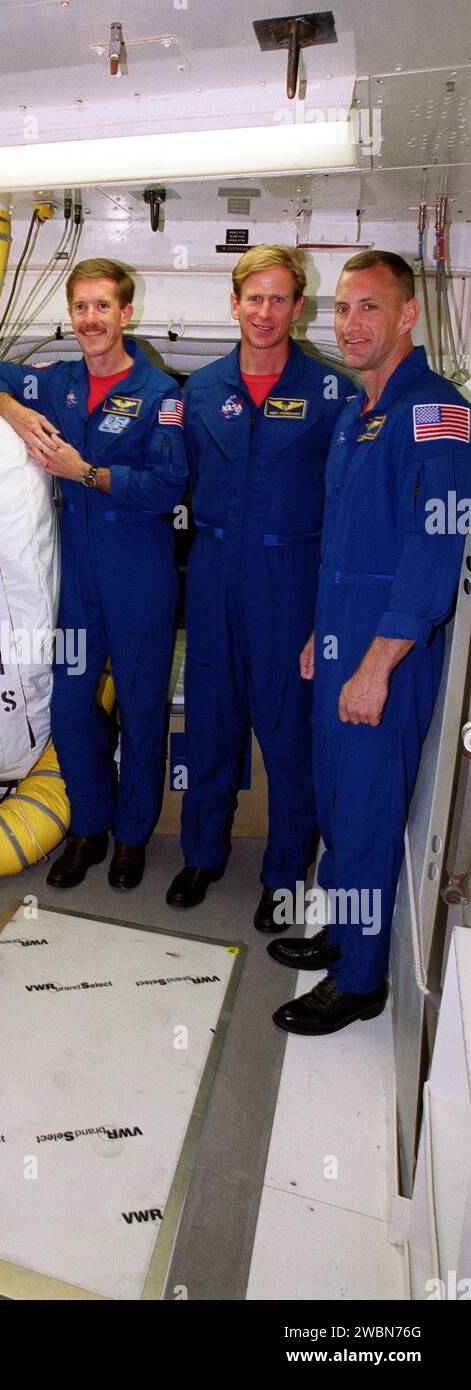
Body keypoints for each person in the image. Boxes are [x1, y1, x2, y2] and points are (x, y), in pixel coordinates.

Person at [270, 250, 470, 1033]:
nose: (349, 325)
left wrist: (376, 665)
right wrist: (322, 632)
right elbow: (349, 537)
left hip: (386, 650)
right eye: (342, 309)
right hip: (341, 634)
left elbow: (433, 547)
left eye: (368, 308)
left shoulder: (433, 409)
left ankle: (358, 983)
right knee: (333, 797)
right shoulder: (360, 411)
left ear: (407, 315)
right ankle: (344, 931)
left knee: (361, 812)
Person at [0, 258, 187, 891]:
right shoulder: (55, 382)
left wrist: (83, 472)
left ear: (126, 313)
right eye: (80, 308)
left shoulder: (160, 395)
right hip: (78, 585)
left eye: (102, 307)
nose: (90, 319)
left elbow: (169, 486)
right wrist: (12, 409)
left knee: (144, 712)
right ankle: (89, 825)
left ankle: (131, 838)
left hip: (141, 577)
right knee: (69, 707)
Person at [168, 246, 353, 926]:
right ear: (233, 302)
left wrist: (323, 616)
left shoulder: (330, 394)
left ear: (297, 309)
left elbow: (344, 512)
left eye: (279, 299)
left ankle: (283, 875)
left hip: (290, 582)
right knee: (210, 728)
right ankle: (201, 855)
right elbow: (168, 481)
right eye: (254, 297)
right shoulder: (200, 391)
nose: (265, 312)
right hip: (214, 576)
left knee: (288, 741)